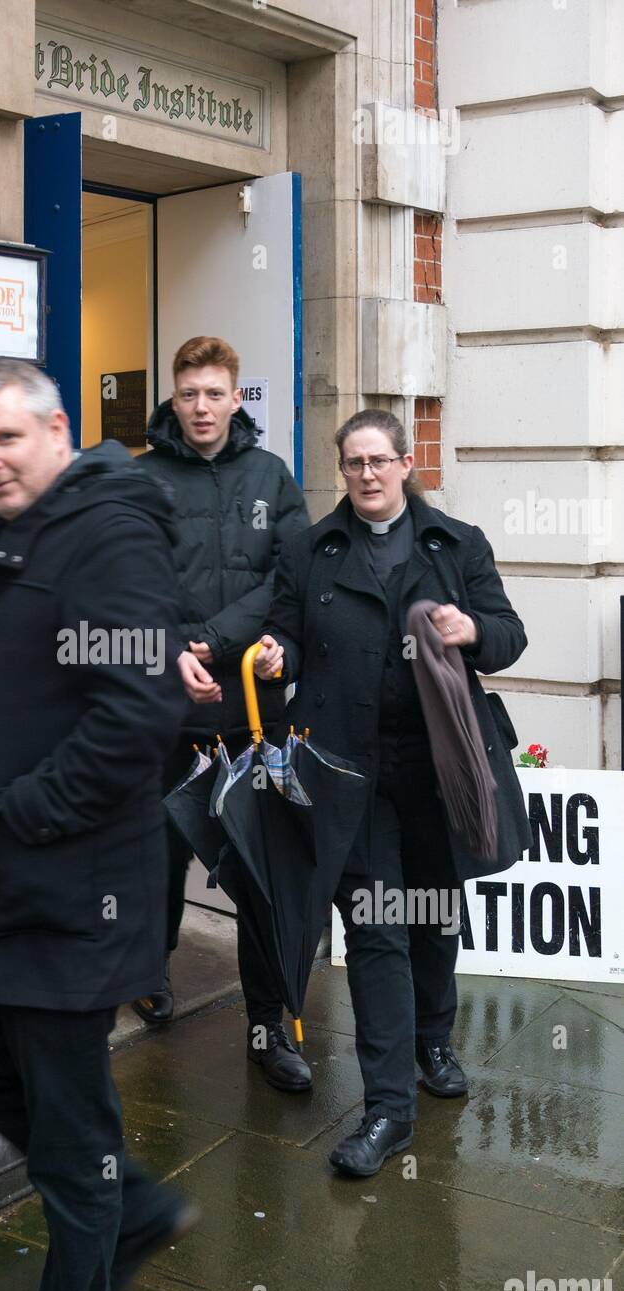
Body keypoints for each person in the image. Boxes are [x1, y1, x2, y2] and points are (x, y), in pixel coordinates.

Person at [0, 359, 195, 1291]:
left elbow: (137, 711)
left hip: (67, 889)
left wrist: (30, 809)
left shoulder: (106, 533)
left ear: (57, 431)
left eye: (8, 438)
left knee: (74, 1155)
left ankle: (106, 1238)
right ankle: (139, 1207)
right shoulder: (26, 531)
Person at [254, 408, 530, 1176]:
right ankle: (386, 1112)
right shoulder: (313, 550)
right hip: (350, 774)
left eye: (379, 461)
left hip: (438, 773)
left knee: (432, 916)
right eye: (353, 464)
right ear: (341, 471)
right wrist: (276, 656)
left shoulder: (456, 544)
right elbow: (287, 636)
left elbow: (509, 636)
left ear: (407, 464)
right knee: (374, 930)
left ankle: (432, 1040)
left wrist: (471, 630)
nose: (367, 475)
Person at [135, 335, 312, 1096]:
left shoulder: (270, 474)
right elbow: (124, 582)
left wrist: (216, 639)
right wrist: (178, 649)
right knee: (156, 854)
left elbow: (292, 579)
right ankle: (149, 972)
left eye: (214, 392)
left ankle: (268, 1028)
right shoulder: (140, 478)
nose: (201, 407)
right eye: (188, 393)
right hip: (163, 707)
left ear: (235, 396)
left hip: (249, 712)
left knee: (257, 873)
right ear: (172, 399)